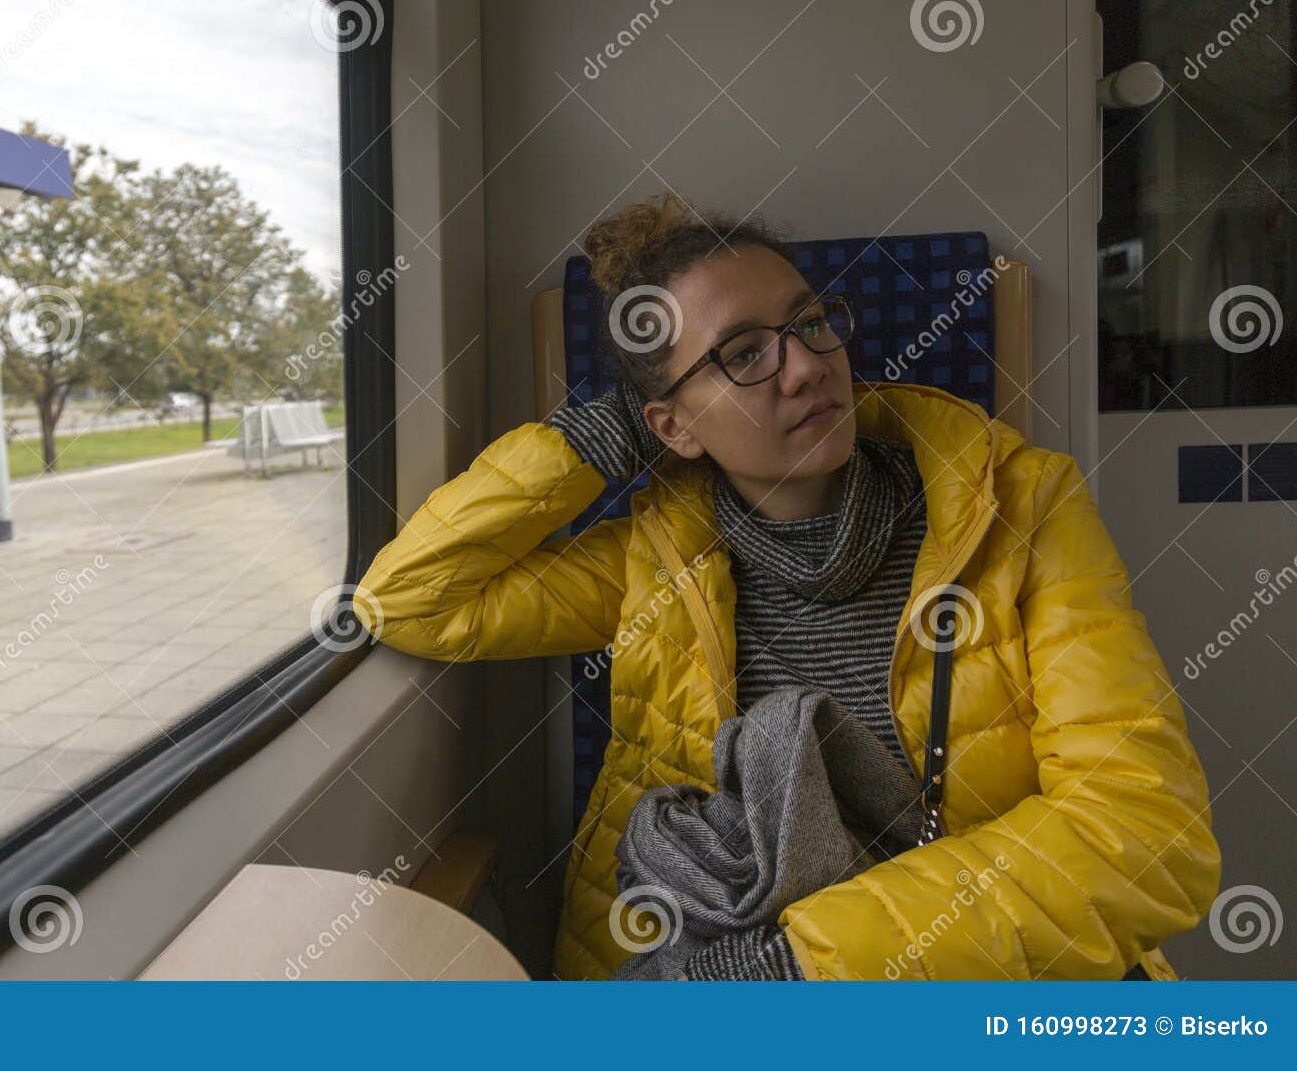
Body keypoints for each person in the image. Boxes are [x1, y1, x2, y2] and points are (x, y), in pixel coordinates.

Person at [355, 191, 1221, 981]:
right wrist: (594, 442)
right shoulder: (648, 565)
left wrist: (792, 970)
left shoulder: (1026, 510)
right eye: (741, 356)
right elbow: (412, 600)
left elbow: (1146, 834)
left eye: (812, 324)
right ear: (671, 427)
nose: (807, 367)